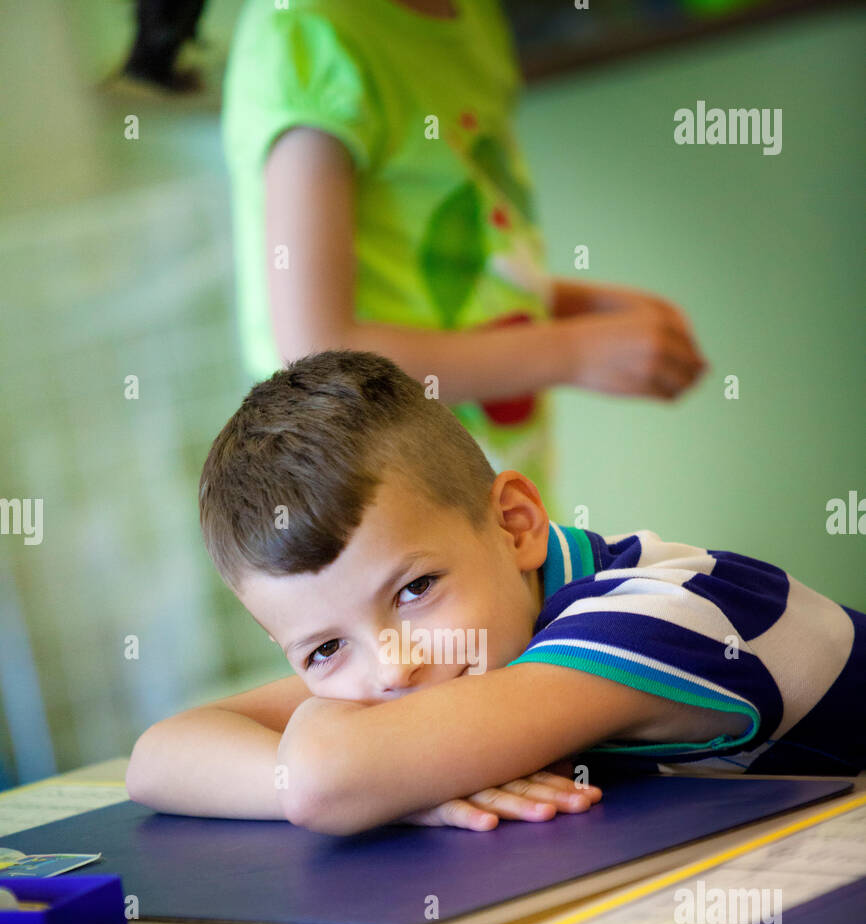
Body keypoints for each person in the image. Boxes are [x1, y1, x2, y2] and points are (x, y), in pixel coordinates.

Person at [125, 351, 865, 834]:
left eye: (415, 588)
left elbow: (326, 776)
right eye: (322, 649)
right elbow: (157, 758)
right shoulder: (432, 653)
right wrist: (409, 792)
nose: (391, 669)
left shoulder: (646, 616)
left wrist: (372, 782)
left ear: (515, 526)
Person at [221, 0, 706, 503]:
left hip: (497, 478)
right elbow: (317, 352)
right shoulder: (309, 35)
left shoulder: (472, 14)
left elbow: (459, 274)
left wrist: (580, 309)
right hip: (395, 512)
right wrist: (578, 352)